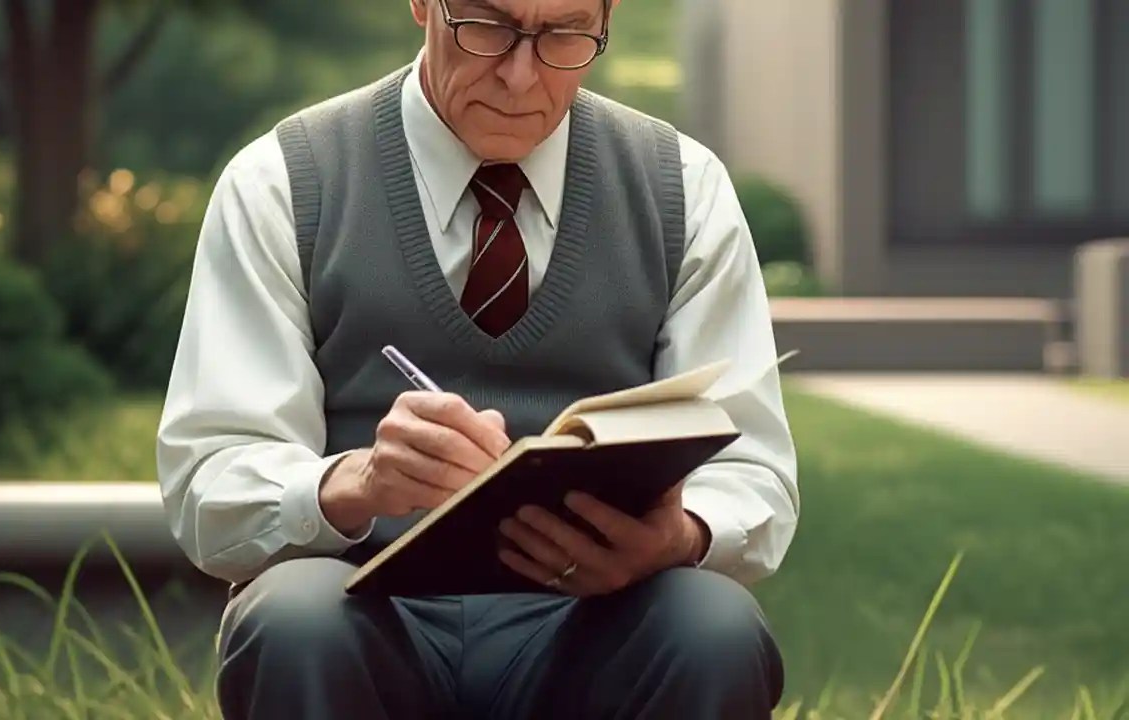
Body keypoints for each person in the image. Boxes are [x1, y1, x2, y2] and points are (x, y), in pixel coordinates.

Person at [156, 0, 799, 717]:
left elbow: (754, 473)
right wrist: (354, 482)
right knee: (294, 618)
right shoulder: (282, 183)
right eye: (487, 26)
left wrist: (678, 536)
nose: (522, 76)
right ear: (423, 5)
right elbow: (210, 486)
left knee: (711, 625)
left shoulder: (683, 189)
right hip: (361, 617)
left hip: (599, 627)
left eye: (564, 34)